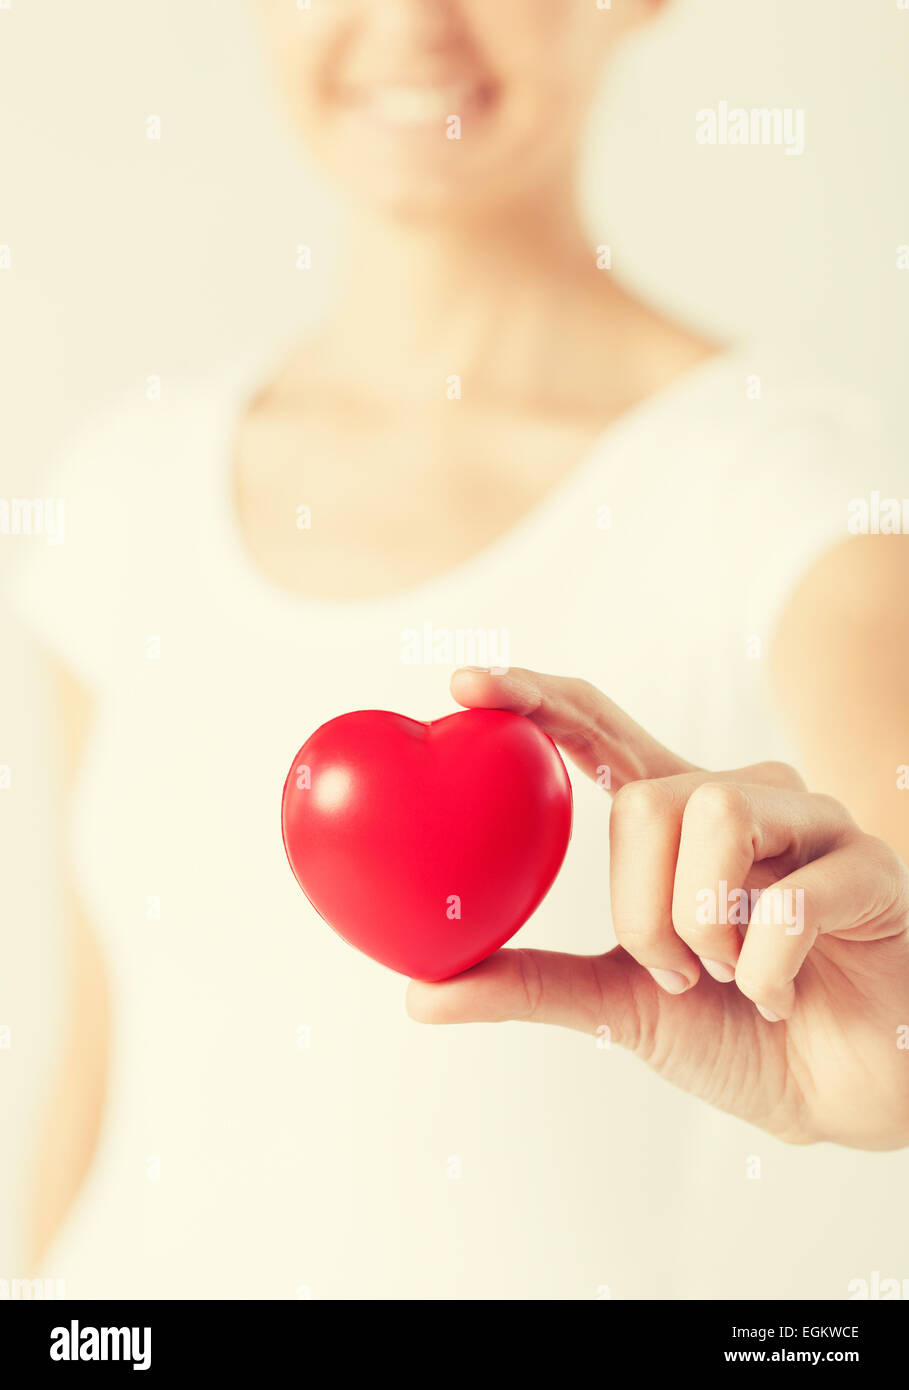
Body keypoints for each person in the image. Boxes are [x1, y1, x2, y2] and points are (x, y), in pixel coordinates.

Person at [7, 0, 908, 1299]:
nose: (409, 23)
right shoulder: (121, 494)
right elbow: (93, 1074)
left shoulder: (796, 497)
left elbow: (891, 934)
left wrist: (888, 1053)